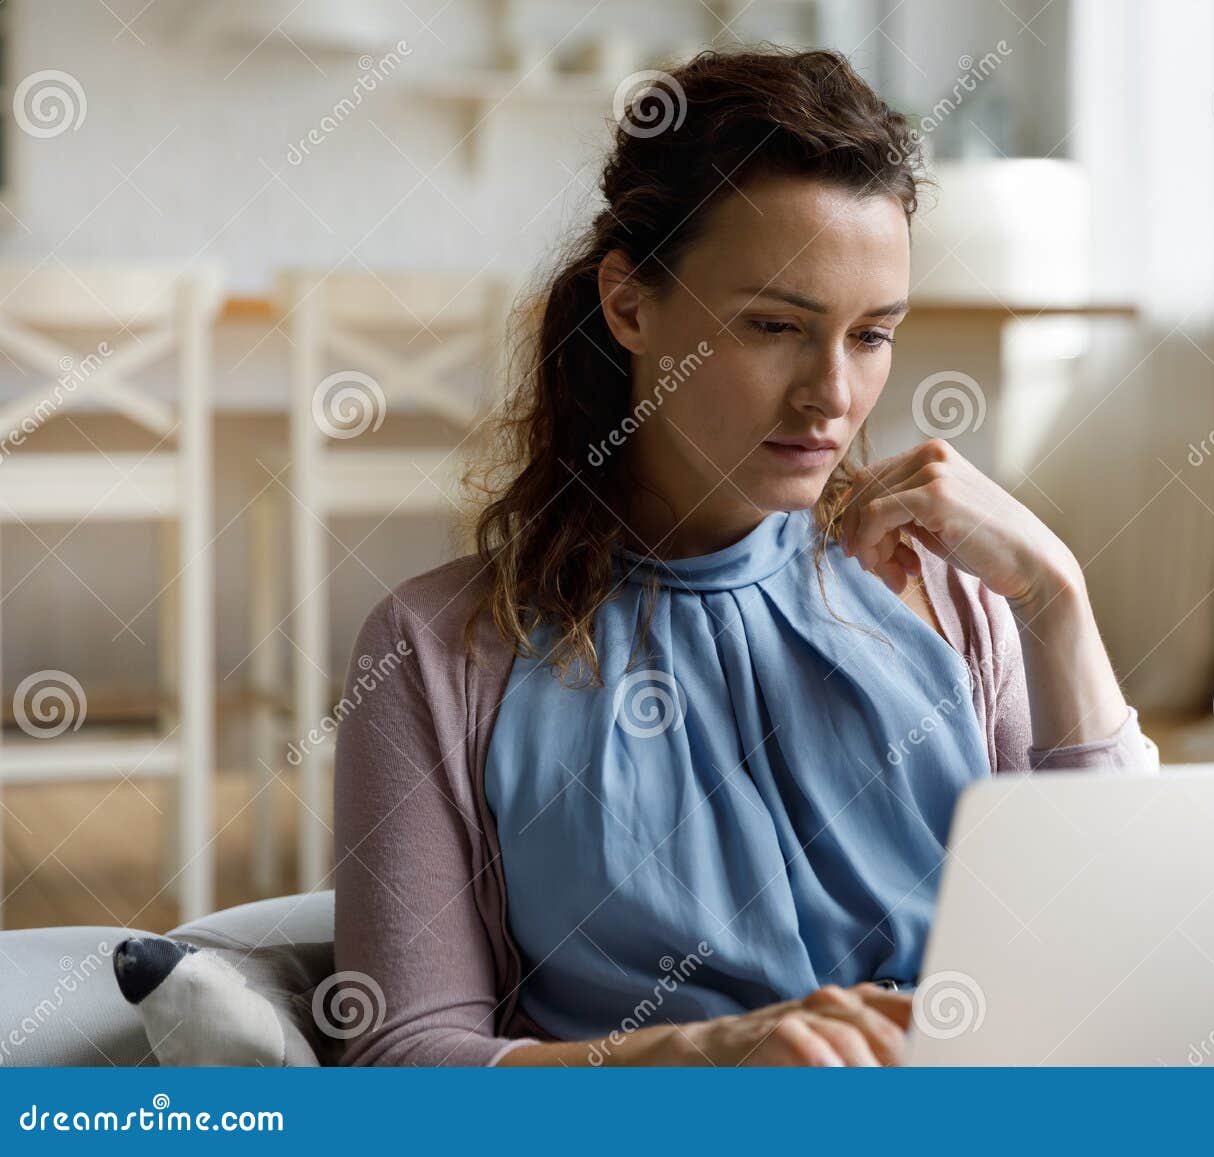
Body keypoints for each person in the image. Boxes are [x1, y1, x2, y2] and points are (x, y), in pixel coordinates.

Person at [333, 46, 1158, 1068]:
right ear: (630, 305)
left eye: (871, 336)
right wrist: (700, 1056)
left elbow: (1119, 957)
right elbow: (403, 1060)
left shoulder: (957, 594)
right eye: (773, 325)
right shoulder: (439, 652)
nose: (832, 396)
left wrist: (1056, 597)